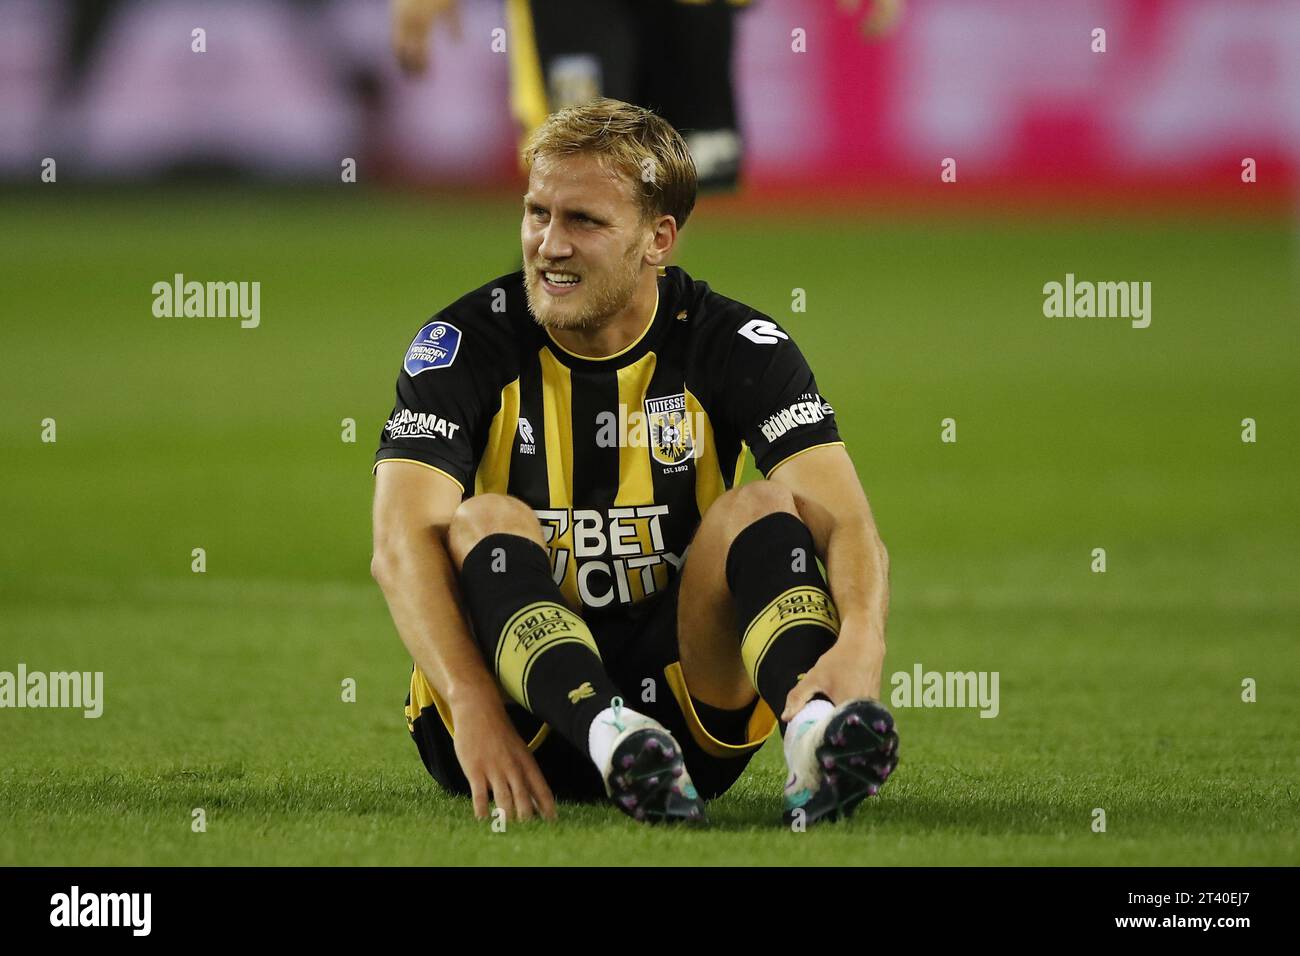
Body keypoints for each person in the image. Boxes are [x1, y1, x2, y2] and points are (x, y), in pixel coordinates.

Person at [370, 98, 897, 825]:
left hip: (688, 714)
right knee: (481, 519)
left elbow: (848, 524)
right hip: (509, 719)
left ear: (658, 239)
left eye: (583, 221)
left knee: (766, 507)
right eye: (537, 213)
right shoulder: (463, 344)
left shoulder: (736, 343)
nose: (549, 244)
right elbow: (399, 547)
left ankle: (813, 738)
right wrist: (469, 705)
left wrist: (862, 645)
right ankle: (611, 733)